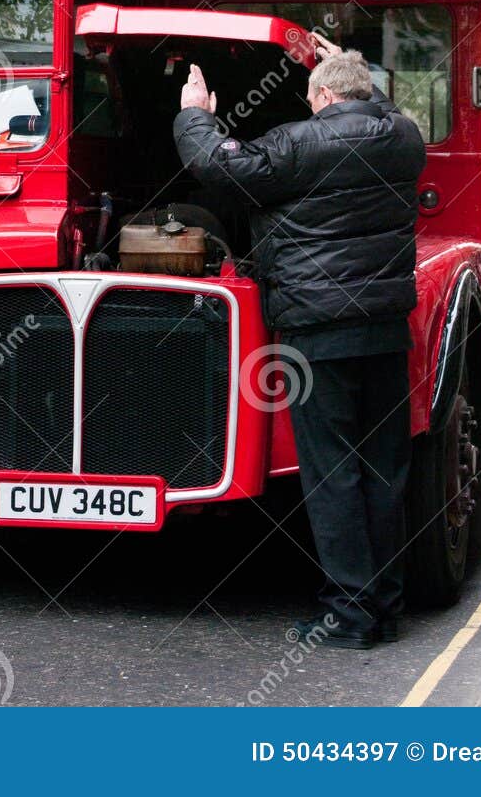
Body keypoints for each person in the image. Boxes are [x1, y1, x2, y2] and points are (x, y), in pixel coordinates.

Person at [173, 35, 425, 650]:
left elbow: (220, 168)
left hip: (320, 330)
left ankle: (349, 614)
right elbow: (386, 110)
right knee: (383, 470)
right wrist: (356, 69)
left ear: (323, 96)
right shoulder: (403, 138)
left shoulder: (298, 142)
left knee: (332, 473)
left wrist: (195, 115)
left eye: (314, 97)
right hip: (385, 330)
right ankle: (383, 605)